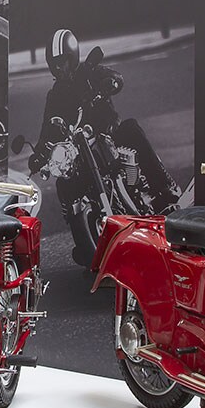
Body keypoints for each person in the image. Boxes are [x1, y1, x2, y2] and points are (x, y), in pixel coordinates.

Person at [28, 28, 180, 265]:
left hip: (108, 135)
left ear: (73, 56)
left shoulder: (89, 73)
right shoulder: (54, 95)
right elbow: (47, 129)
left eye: (63, 62)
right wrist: (38, 154)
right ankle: (83, 241)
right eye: (54, 64)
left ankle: (164, 186)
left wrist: (111, 83)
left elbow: (116, 78)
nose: (59, 69)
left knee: (131, 128)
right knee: (64, 182)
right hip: (79, 149)